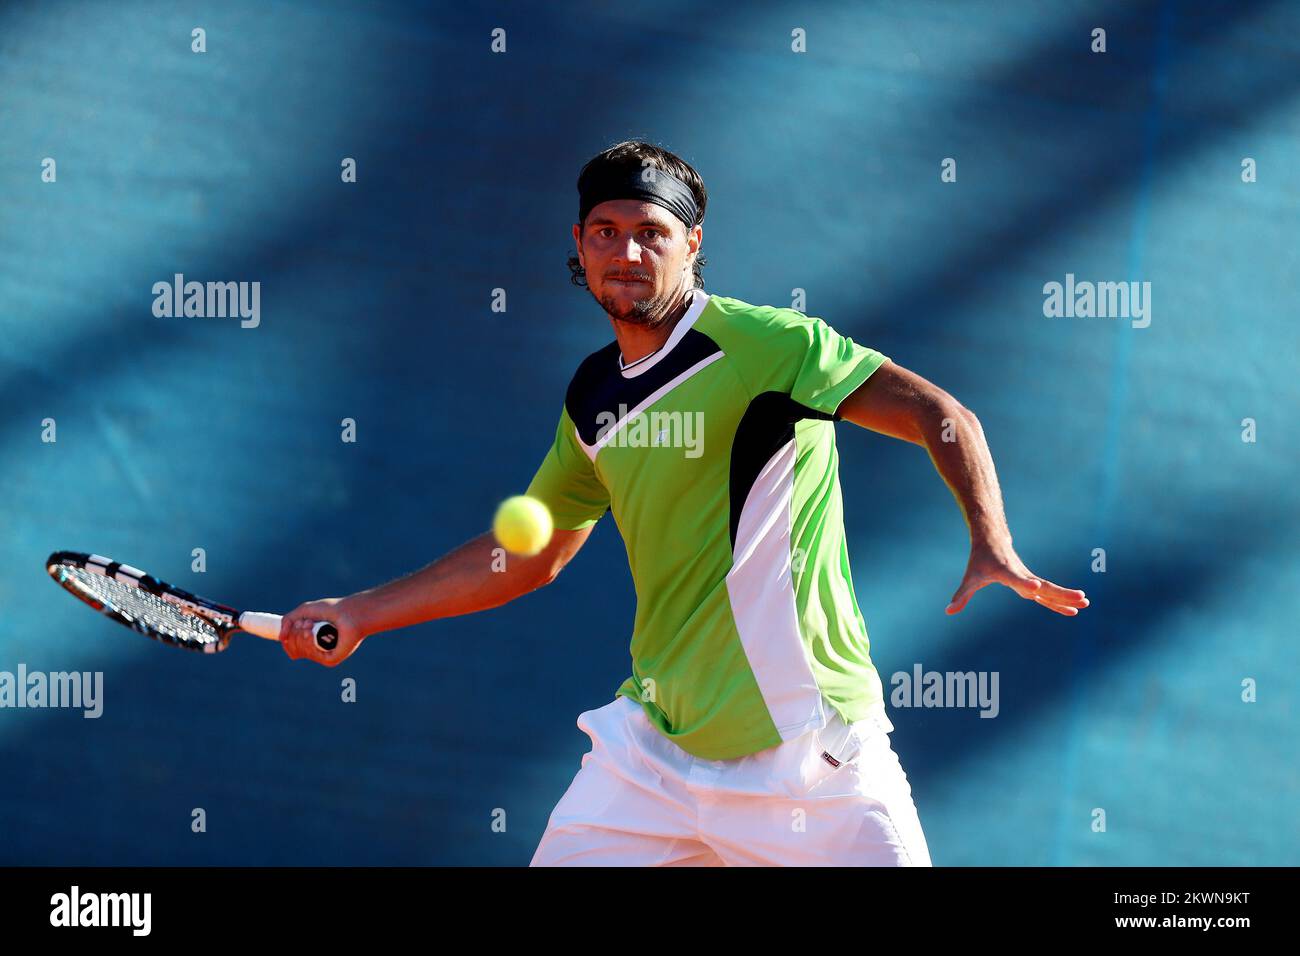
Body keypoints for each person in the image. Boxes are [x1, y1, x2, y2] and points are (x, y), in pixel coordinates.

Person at [278, 140, 1089, 866]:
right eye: (605, 231)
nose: (626, 251)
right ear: (579, 244)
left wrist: (991, 541)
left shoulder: (772, 348)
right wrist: (361, 611)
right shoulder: (594, 396)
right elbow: (529, 554)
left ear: (691, 246)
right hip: (653, 757)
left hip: (809, 757)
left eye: (651, 233)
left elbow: (940, 414)